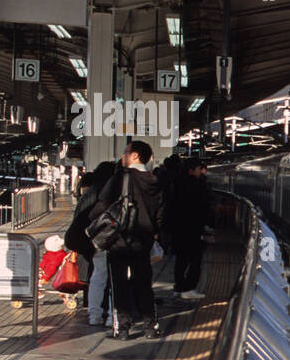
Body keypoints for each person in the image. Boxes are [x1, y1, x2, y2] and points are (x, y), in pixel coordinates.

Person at [90, 140, 166, 339]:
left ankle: (122, 329)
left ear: (135, 156)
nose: (122, 157)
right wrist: (154, 232)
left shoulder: (121, 178)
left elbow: (103, 203)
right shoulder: (155, 181)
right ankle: (151, 326)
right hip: (144, 240)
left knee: (119, 283)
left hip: (120, 239)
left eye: (126, 153)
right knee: (144, 282)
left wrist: (93, 223)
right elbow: (161, 213)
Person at [66, 162, 117, 326]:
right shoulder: (108, 193)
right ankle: (111, 316)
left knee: (97, 277)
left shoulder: (89, 193)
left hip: (89, 241)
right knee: (113, 279)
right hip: (104, 240)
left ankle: (94, 315)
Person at [170, 158, 209, 300]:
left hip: (179, 229)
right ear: (191, 170)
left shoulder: (176, 184)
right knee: (195, 260)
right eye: (199, 169)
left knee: (181, 260)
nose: (201, 172)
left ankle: (179, 288)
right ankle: (188, 288)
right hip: (192, 229)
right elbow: (201, 207)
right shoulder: (195, 185)